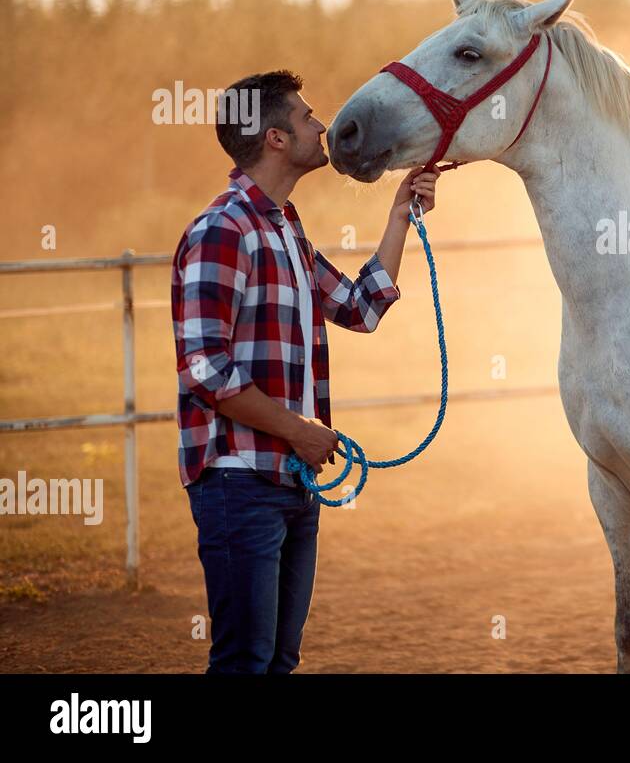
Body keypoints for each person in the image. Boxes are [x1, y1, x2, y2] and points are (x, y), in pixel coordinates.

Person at [170, 69, 438, 673]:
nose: (322, 126)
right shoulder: (222, 231)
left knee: (278, 660)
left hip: (288, 481)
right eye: (308, 117)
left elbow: (359, 308)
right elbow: (205, 370)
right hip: (239, 480)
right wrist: (299, 429)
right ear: (275, 139)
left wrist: (399, 215)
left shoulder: (285, 228)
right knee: (244, 660)